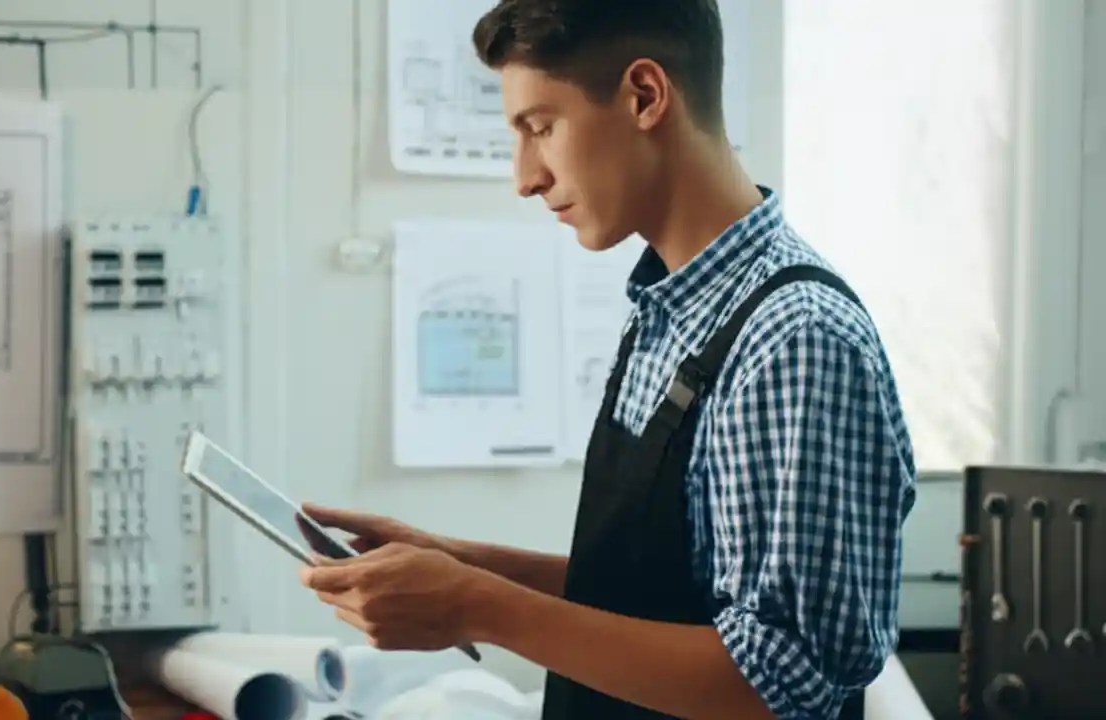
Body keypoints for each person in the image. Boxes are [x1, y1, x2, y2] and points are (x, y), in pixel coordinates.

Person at [300, 1, 917, 718]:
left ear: (645, 96)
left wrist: (477, 607)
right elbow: (661, 594)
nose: (524, 177)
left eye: (541, 128)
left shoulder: (796, 342)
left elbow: (778, 685)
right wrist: (458, 563)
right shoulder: (669, 309)